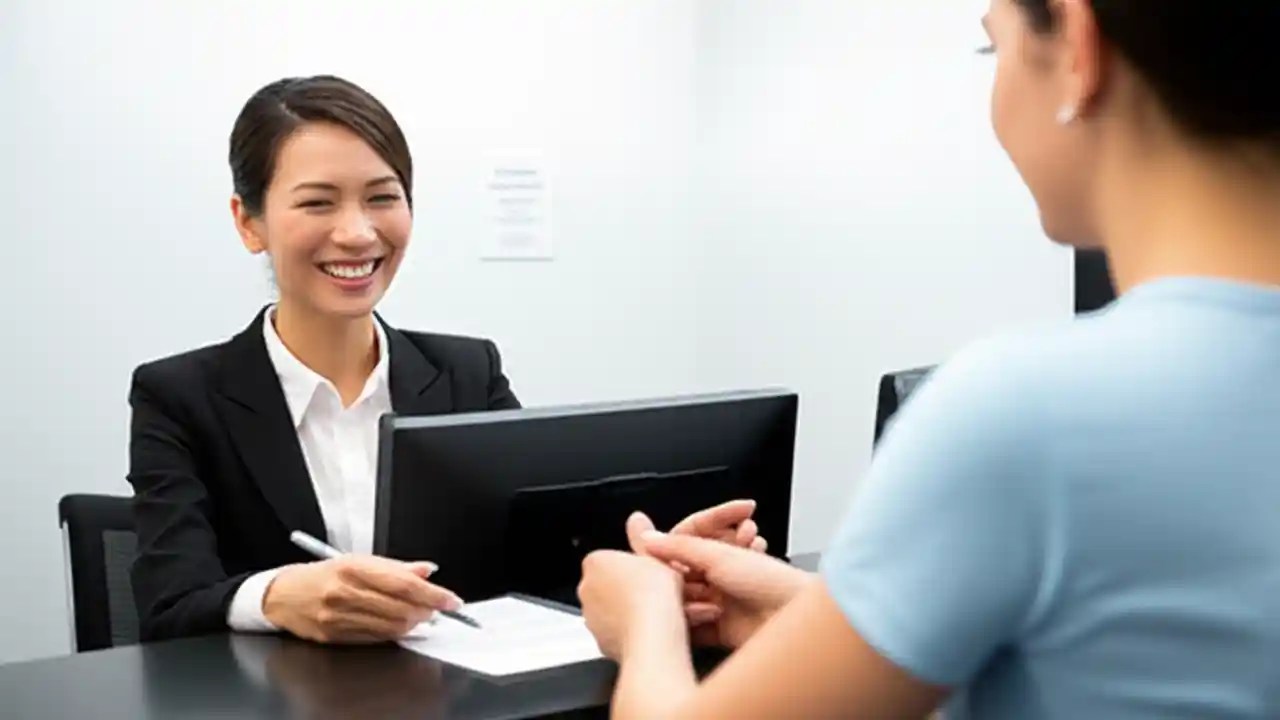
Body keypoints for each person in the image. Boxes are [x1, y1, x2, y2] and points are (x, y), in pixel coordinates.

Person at [577, 0, 1280, 717]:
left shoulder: (1029, 411)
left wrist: (646, 621)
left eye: (992, 52)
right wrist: (810, 611)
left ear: (1078, 47)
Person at [128, 75, 765, 644]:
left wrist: (662, 563)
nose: (356, 232)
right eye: (318, 202)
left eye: (382, 197)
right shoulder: (180, 397)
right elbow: (169, 605)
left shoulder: (468, 374)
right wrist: (275, 595)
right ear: (250, 223)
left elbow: (553, 559)